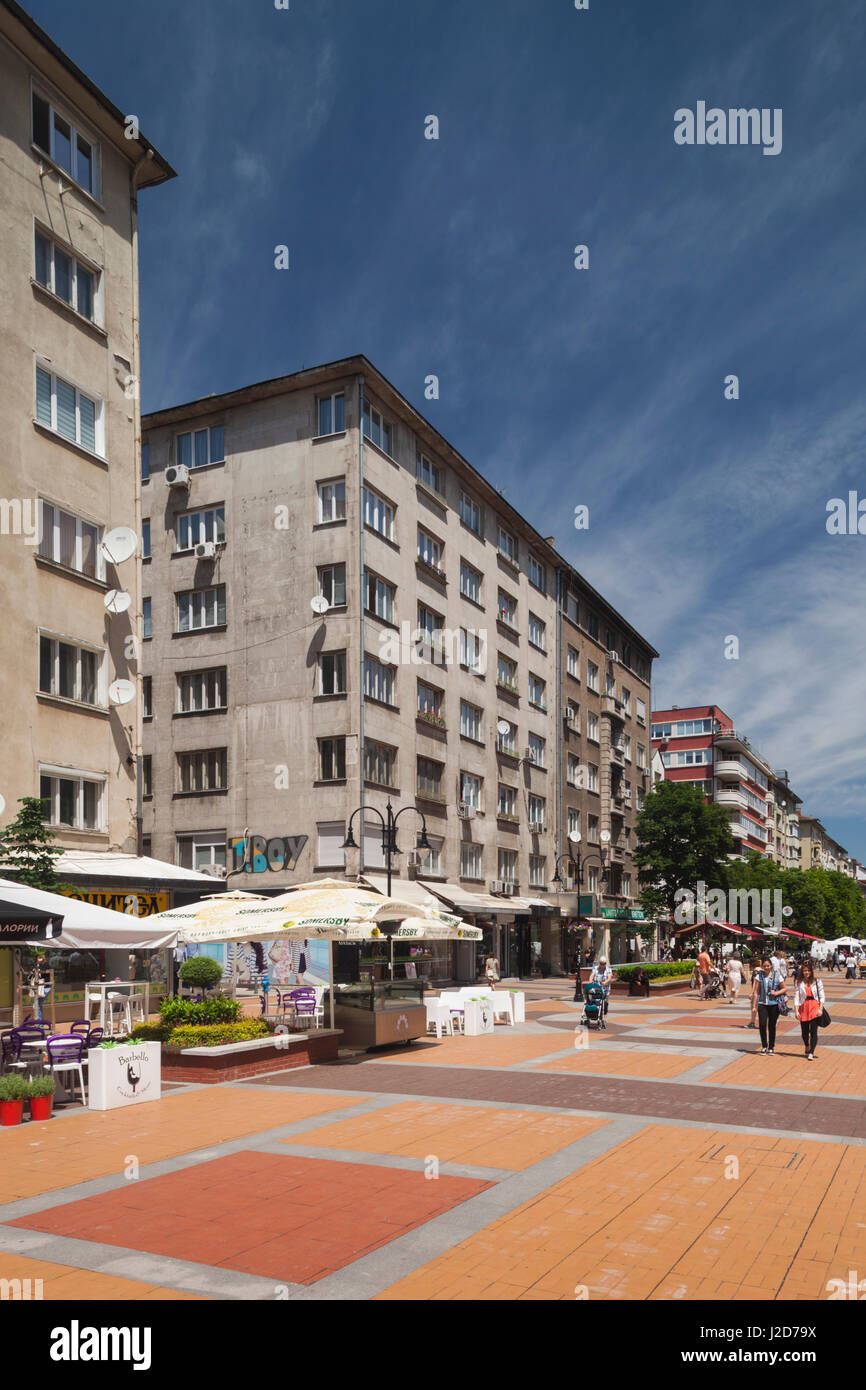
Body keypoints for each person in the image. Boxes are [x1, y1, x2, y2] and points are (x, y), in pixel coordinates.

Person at [794, 960, 825, 1061]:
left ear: (811, 971)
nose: (806, 972)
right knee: (804, 1032)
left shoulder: (817, 981)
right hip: (803, 1007)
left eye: (808, 970)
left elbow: (822, 996)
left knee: (813, 1031)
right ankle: (807, 1045)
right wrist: (796, 1010)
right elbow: (796, 997)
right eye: (804, 971)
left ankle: (811, 1052)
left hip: (814, 1007)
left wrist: (820, 1009)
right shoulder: (798, 982)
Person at [755, 956, 786, 1054]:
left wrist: (776, 993)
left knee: (772, 1025)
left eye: (768, 966)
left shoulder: (777, 976)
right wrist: (753, 1006)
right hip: (762, 1003)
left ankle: (771, 1047)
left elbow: (784, 988)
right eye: (764, 966)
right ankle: (764, 1046)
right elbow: (756, 991)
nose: (766, 967)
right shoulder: (759, 976)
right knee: (762, 1025)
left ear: (771, 966)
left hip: (774, 1004)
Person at [27, 954, 48, 1021]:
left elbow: (45, 974)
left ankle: (39, 1022)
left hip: (44, 987)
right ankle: (39, 1021)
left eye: (40, 958)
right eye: (38, 958)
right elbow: (30, 977)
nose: (39, 959)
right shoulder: (35, 966)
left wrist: (39, 968)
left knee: (37, 1004)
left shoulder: (46, 965)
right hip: (37, 987)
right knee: (37, 1005)